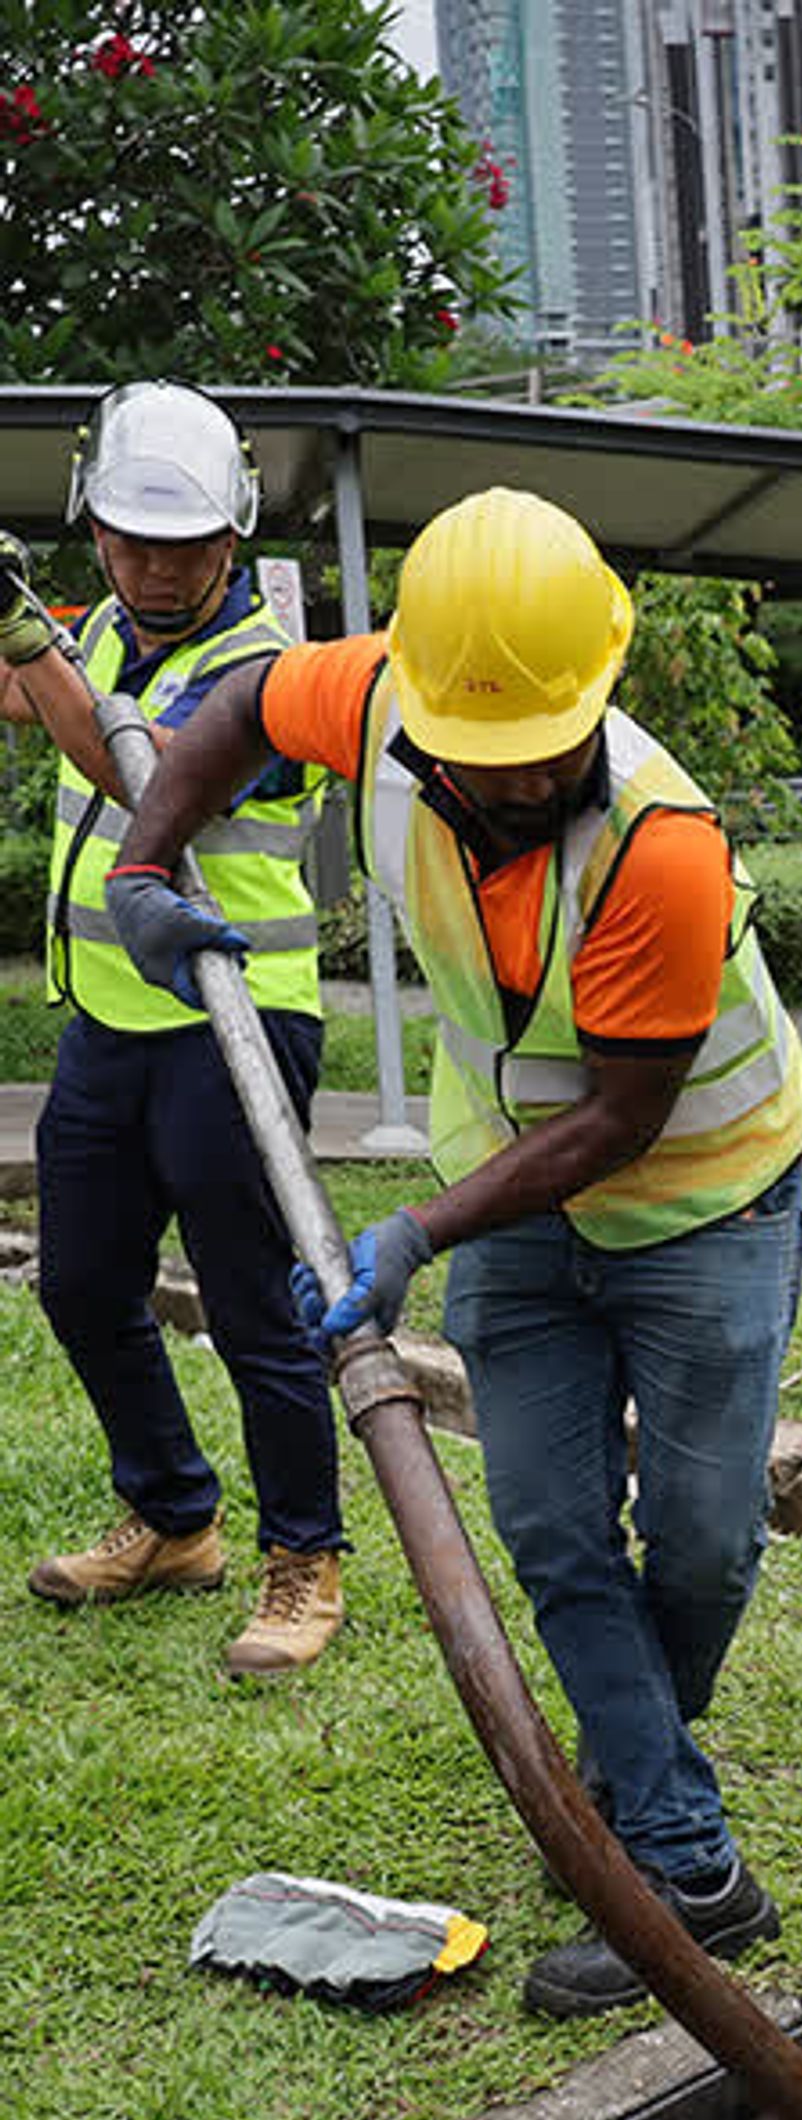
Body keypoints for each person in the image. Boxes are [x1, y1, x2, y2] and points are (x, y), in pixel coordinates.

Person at [106, 486, 802, 2018]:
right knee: (556, 1527)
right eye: (477, 758)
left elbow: (623, 1118)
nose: (508, 782)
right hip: (513, 1210)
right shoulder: (380, 698)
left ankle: (639, 1781)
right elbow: (234, 711)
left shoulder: (662, 848)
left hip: (705, 1205)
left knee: (701, 1540)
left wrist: (417, 1228)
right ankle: (686, 1858)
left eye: (540, 752)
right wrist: (147, 866)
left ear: (597, 698)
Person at [0, 382, 346, 1675]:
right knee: (84, 1282)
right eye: (128, 536)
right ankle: (174, 1517)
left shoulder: (271, 673)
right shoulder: (87, 632)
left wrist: (28, 636)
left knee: (256, 1307)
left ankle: (304, 1561)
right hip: (109, 1020)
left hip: (238, 1026)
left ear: (234, 537)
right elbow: (32, 700)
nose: (151, 563)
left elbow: (137, 776)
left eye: (181, 540)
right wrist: (25, 641)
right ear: (92, 529)